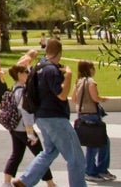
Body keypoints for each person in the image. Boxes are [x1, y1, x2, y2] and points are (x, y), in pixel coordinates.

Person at [12, 38, 86, 187]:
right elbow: (62, 95)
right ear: (60, 52)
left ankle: (25, 180)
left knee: (50, 151)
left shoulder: (38, 67)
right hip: (55, 117)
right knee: (75, 158)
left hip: (41, 116)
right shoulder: (51, 70)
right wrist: (69, 75)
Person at [3, 64, 55, 187]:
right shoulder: (22, 91)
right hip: (24, 129)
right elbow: (25, 112)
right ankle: (50, 183)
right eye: (26, 72)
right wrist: (30, 133)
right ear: (20, 75)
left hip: (14, 127)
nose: (28, 75)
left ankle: (6, 182)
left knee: (16, 154)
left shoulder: (14, 88)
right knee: (41, 156)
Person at [73, 60, 113, 182]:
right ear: (88, 69)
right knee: (96, 143)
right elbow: (95, 97)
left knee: (99, 142)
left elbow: (73, 99)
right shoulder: (91, 82)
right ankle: (91, 170)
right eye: (93, 67)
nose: (94, 70)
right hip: (92, 115)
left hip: (82, 115)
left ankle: (99, 169)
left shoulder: (78, 82)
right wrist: (103, 99)